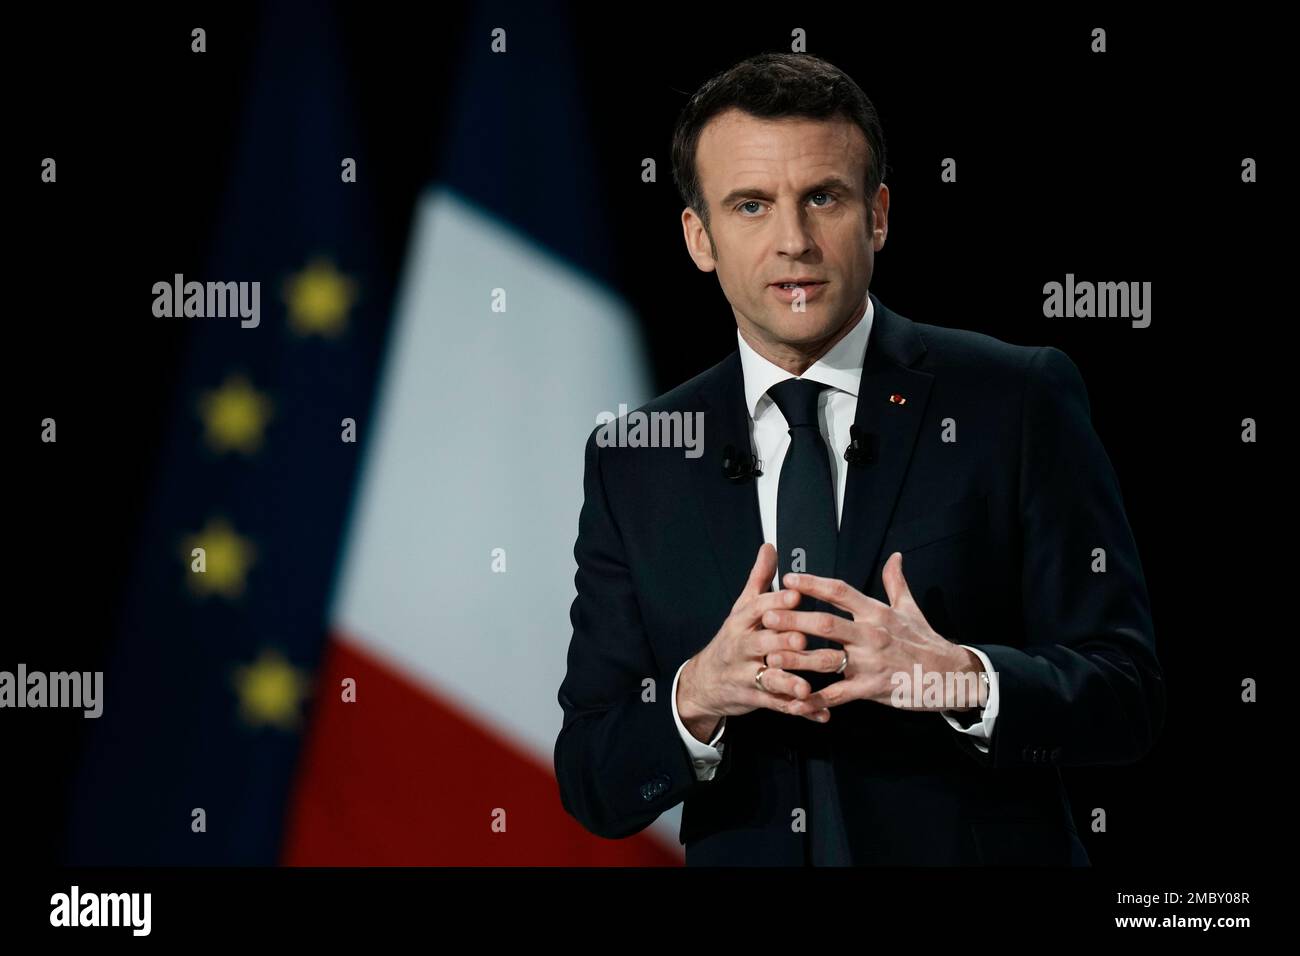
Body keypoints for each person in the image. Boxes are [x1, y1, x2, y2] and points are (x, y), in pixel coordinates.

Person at [554, 52, 1164, 865]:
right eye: (750, 205)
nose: (793, 241)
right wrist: (696, 696)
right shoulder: (636, 459)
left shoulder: (1014, 401)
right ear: (699, 237)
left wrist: (960, 677)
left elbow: (1125, 698)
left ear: (877, 215)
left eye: (823, 198)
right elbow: (593, 782)